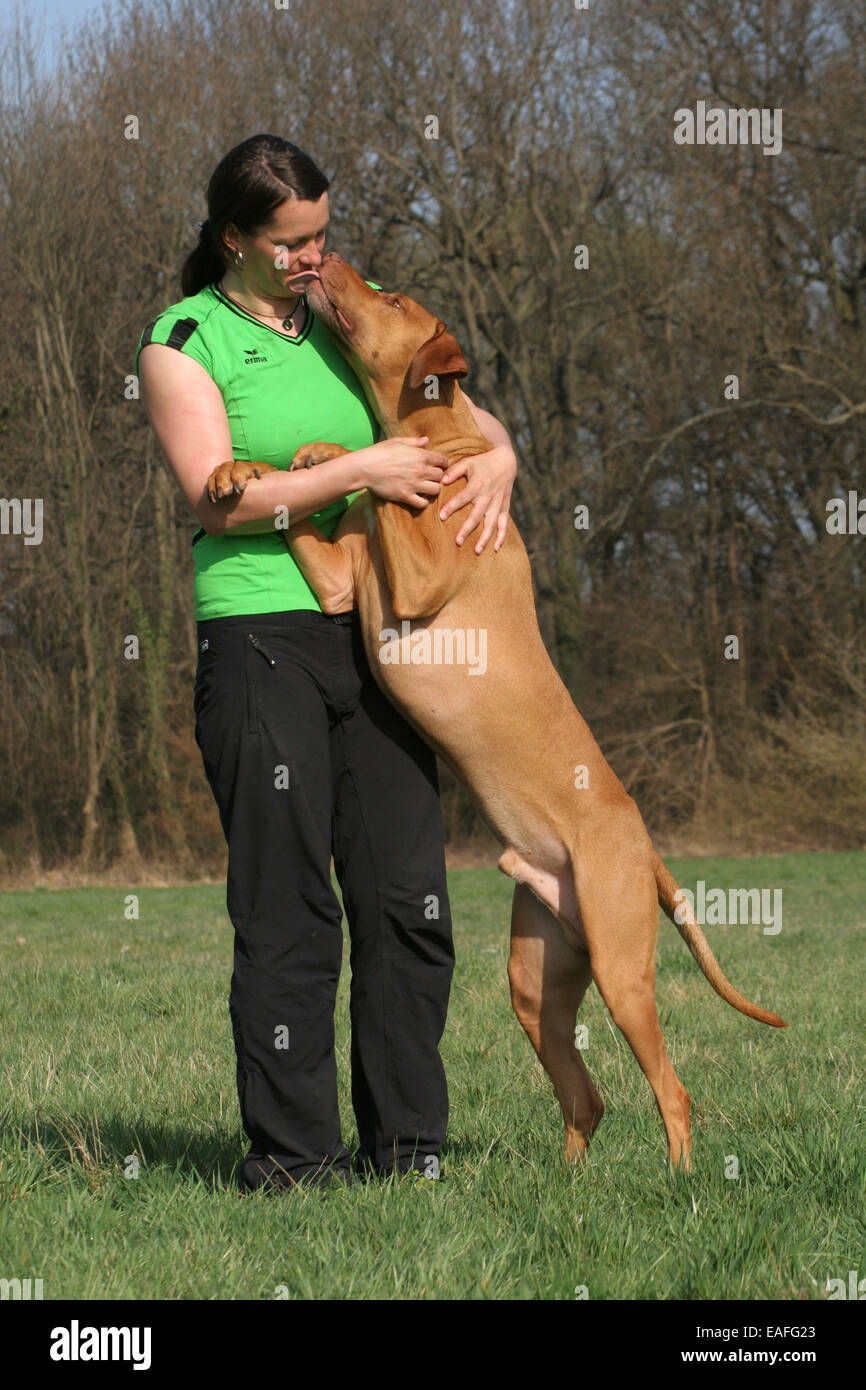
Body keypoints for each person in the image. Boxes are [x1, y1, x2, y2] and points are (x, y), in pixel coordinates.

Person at [135, 133, 517, 1192]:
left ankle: (408, 1150)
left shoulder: (350, 310)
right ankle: (294, 1161)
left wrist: (505, 455)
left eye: (321, 234)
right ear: (234, 240)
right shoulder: (184, 338)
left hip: (383, 640)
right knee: (288, 906)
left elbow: (453, 406)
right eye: (291, 242)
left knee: (406, 895)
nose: (315, 256)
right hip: (261, 638)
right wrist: (363, 467)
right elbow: (218, 491)